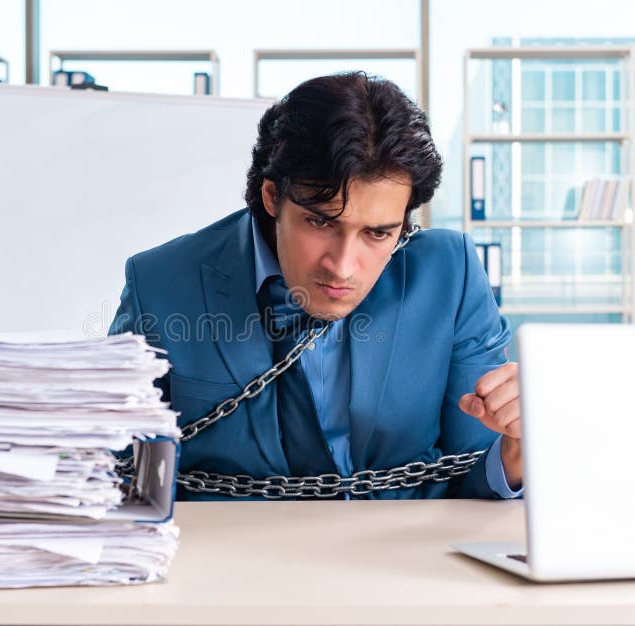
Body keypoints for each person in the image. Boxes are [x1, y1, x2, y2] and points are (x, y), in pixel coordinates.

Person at [109, 72, 523, 501]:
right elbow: (113, 475)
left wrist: (516, 452)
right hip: (231, 542)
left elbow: (474, 472)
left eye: (378, 233)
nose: (342, 267)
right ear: (272, 196)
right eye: (321, 222)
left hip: (402, 541)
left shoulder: (450, 275)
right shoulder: (159, 284)